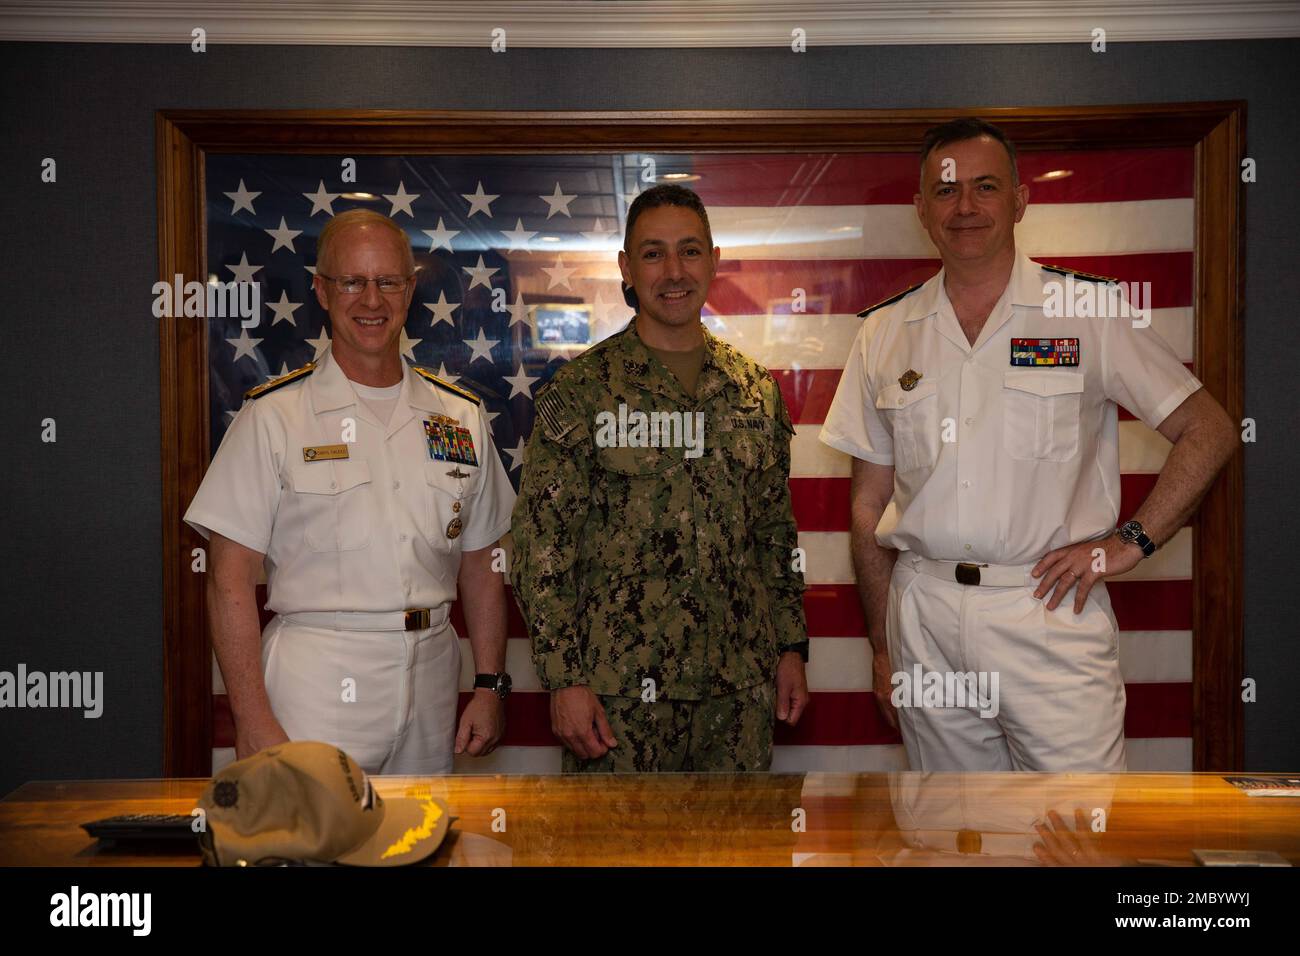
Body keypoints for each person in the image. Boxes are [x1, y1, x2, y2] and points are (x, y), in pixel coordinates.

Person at [820, 118, 1236, 771]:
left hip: (1046, 611)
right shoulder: (884, 332)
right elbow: (867, 506)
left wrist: (1130, 542)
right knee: (953, 838)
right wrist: (883, 642)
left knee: (1077, 832)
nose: (965, 207)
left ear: (1019, 200)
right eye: (947, 190)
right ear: (921, 207)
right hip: (923, 616)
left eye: (985, 187)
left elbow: (1207, 429)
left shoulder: (1086, 313)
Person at [185, 209, 516, 775]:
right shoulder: (275, 417)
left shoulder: (459, 417)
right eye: (352, 282)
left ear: (410, 290)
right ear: (321, 289)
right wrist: (251, 717)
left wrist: (489, 684)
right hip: (316, 676)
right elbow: (228, 577)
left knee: (419, 846)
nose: (371, 300)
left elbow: (484, 560)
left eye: (388, 281)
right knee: (310, 849)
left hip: (433, 672)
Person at [510, 184, 809, 772]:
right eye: (653, 254)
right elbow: (540, 550)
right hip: (618, 703)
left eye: (689, 251)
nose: (674, 271)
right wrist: (564, 680)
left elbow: (775, 535)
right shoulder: (582, 394)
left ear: (714, 260)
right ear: (625, 267)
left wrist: (791, 647)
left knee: (738, 859)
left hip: (738, 696)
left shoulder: (754, 391)